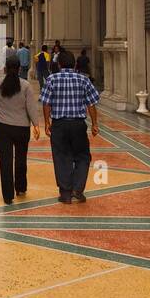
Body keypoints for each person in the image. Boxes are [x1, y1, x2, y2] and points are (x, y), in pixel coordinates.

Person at [40, 49, 101, 204]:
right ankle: (77, 189)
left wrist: (47, 122)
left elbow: (46, 103)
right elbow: (91, 104)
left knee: (61, 157)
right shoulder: (83, 79)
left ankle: (65, 193)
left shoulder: (51, 79)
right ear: (74, 64)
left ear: (59, 64)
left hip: (59, 125)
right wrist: (94, 124)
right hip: (78, 125)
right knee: (82, 156)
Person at [0, 57, 43, 205]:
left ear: (5, 67)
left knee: (5, 162)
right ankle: (21, 187)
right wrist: (36, 124)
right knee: (21, 159)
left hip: (2, 129)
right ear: (19, 68)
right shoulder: (26, 86)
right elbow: (31, 107)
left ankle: (8, 195)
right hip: (22, 129)